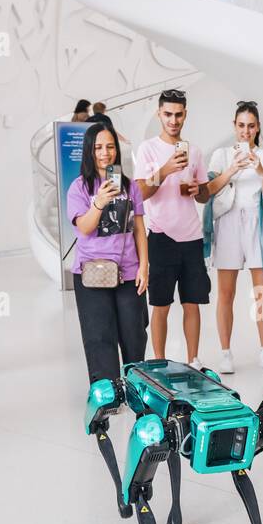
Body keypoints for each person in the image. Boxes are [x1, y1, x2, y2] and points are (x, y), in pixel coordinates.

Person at [134, 88, 210, 367]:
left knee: (192, 302)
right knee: (161, 304)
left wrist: (195, 189)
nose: (173, 120)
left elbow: (204, 194)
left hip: (191, 235)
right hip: (161, 236)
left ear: (185, 115)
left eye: (178, 115)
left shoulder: (196, 151)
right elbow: (140, 193)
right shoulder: (148, 149)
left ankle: (194, 360)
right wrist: (165, 170)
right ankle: (159, 362)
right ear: (159, 114)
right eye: (168, 114)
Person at [206, 101, 263, 373]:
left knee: (262, 292)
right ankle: (226, 353)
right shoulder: (221, 155)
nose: (246, 131)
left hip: (257, 225)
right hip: (227, 223)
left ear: (258, 127)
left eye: (251, 126)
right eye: (241, 126)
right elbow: (208, 191)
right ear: (234, 126)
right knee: (225, 292)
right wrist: (232, 170)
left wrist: (261, 171)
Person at [68, 123, 149, 382]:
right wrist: (99, 202)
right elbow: (84, 227)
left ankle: (136, 389)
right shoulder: (79, 188)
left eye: (110, 146)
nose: (105, 153)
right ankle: (108, 394)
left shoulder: (130, 186)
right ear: (89, 151)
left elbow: (138, 228)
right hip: (93, 273)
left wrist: (144, 266)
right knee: (99, 336)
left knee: (134, 334)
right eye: (99, 147)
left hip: (128, 271)